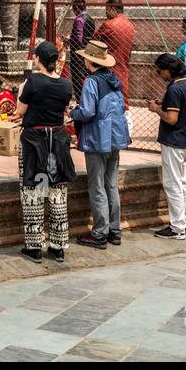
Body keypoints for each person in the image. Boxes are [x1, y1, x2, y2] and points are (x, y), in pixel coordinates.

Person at [14, 41, 76, 262]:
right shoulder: (66, 85)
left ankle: (34, 246)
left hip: (34, 142)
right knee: (57, 191)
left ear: (38, 59)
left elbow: (20, 110)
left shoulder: (33, 82)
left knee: (34, 190)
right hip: (57, 142)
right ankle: (58, 246)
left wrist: (22, 93)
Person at [69, 40, 129, 249]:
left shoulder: (91, 82)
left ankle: (99, 232)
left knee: (97, 186)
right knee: (111, 183)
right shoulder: (113, 79)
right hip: (115, 136)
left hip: (98, 138)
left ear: (89, 60)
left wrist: (71, 113)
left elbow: (87, 112)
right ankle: (114, 229)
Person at [149, 52, 186, 240]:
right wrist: (164, 104)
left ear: (168, 70)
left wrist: (156, 109)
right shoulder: (185, 85)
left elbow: (171, 118)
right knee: (182, 181)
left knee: (173, 183)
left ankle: (177, 227)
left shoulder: (174, 89)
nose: (159, 75)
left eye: (160, 71)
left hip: (174, 141)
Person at [93, 0, 134, 109]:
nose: (106, 13)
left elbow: (95, 41)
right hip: (124, 65)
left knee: (106, 100)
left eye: (107, 10)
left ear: (112, 9)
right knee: (121, 98)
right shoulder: (130, 25)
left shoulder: (109, 24)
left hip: (109, 66)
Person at [64, 0, 97, 100]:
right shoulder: (90, 19)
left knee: (78, 77)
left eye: (74, 9)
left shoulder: (79, 20)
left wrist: (68, 40)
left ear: (77, 8)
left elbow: (78, 39)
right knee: (86, 76)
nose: (74, 12)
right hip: (88, 51)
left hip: (78, 53)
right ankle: (88, 100)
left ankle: (80, 101)